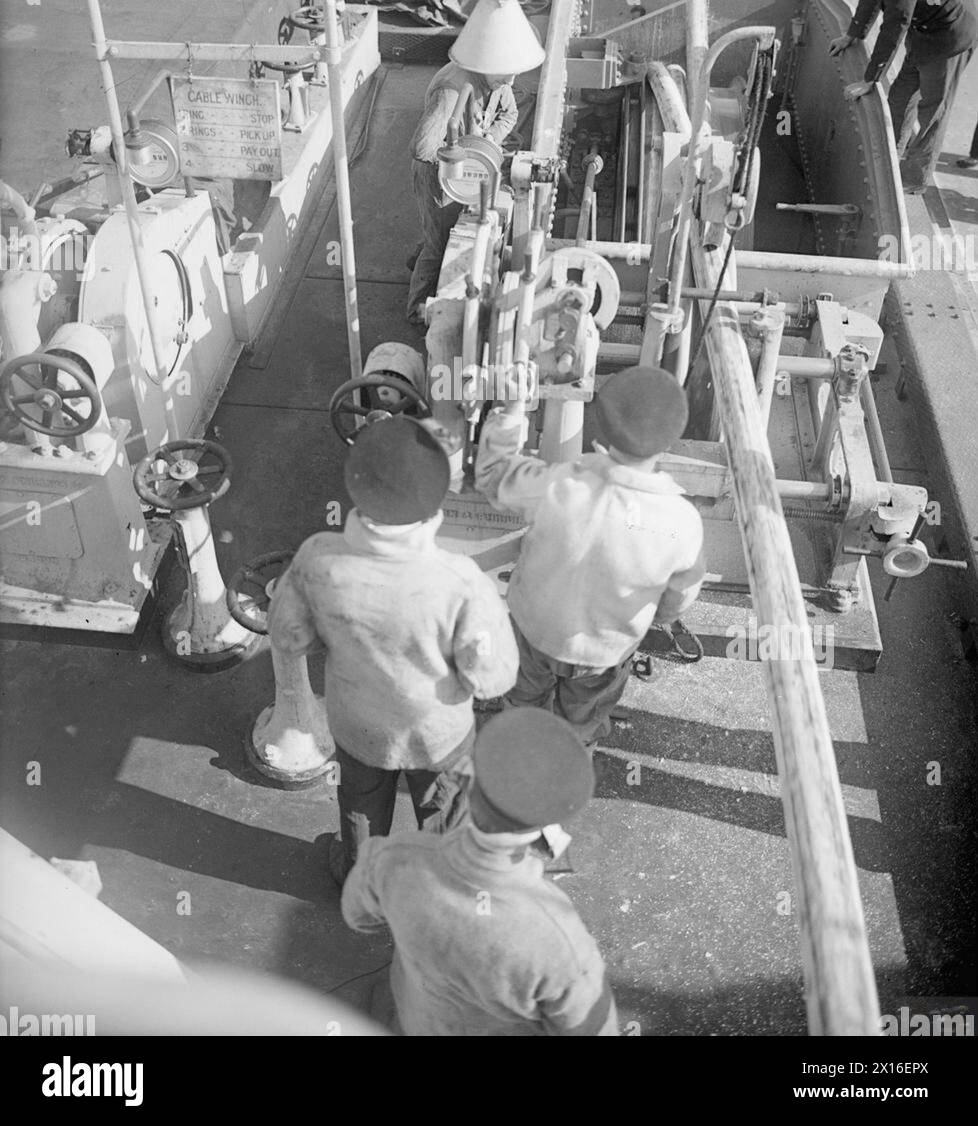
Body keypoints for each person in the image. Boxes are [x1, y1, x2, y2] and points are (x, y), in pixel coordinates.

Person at [267, 415, 518, 886]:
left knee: (360, 805)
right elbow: (494, 678)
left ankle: (362, 880)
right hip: (439, 737)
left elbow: (288, 638)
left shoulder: (318, 559)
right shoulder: (461, 581)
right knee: (443, 810)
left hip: (359, 730)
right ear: (437, 500)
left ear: (354, 485)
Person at [341, 707, 619, 1037]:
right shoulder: (560, 941)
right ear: (548, 824)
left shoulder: (392, 859)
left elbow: (358, 916)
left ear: (467, 786)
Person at [475, 366, 706, 750]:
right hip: (605, 651)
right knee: (584, 715)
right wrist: (655, 618)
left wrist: (513, 407)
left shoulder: (559, 484)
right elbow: (678, 598)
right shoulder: (683, 523)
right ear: (670, 439)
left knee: (522, 697)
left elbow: (494, 475)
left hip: (535, 632)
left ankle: (516, 744)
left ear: (603, 425)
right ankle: (571, 753)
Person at [829, 0, 978, 192]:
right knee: (900, 97)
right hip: (925, 31)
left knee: (933, 109)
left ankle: (913, 180)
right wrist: (853, 34)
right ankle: (892, 159)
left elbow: (896, 23)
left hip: (950, 38)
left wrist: (870, 79)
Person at [407, 60, 518, 326]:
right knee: (438, 247)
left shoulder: (498, 78)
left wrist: (488, 138)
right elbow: (421, 149)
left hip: (464, 172)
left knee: (442, 232)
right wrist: (464, 156)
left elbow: (509, 114)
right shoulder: (451, 91)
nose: (511, 82)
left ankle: (416, 259)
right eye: (505, 76)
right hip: (438, 177)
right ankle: (416, 311)